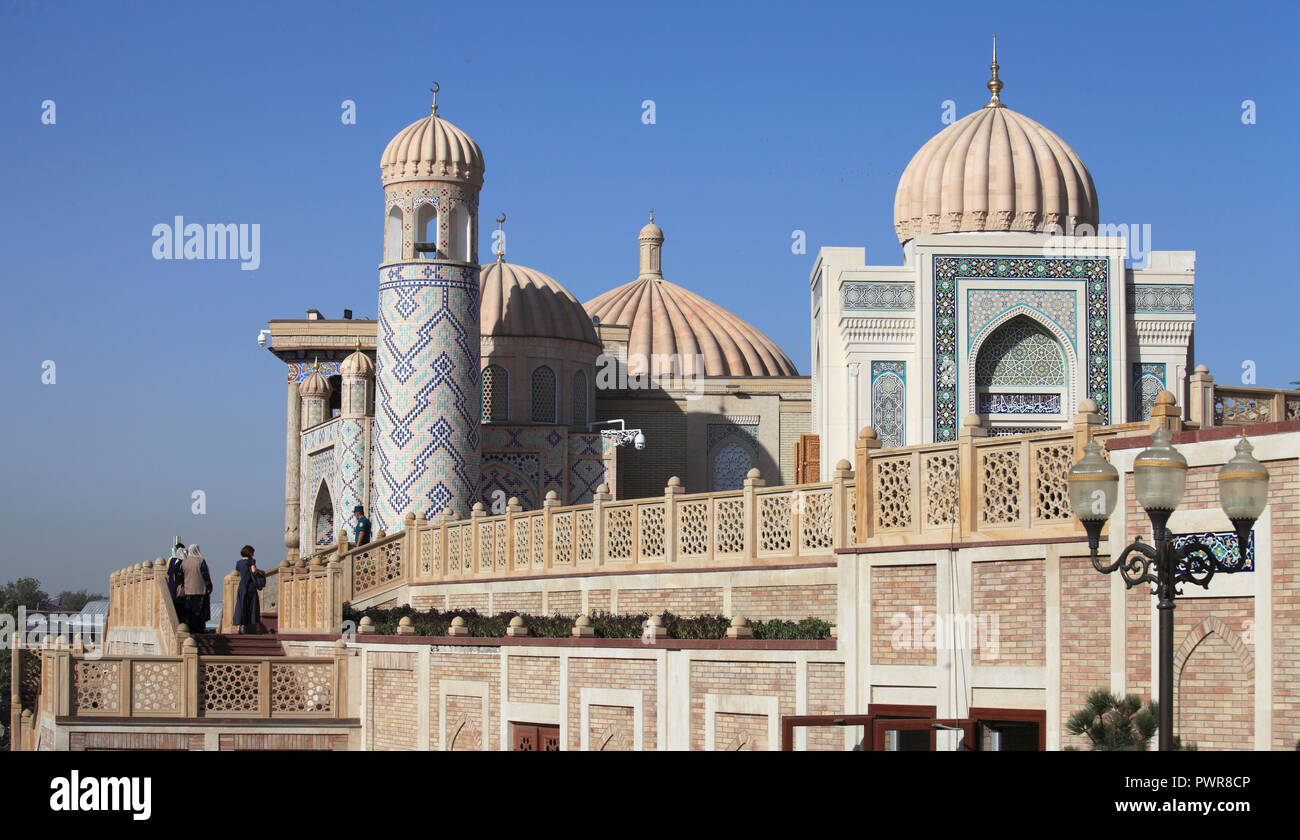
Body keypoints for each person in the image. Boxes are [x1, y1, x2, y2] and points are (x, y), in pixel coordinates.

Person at [232, 545, 265, 635]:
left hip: (242, 586)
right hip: (250, 586)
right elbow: (253, 570)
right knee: (253, 606)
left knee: (241, 605)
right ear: (250, 553)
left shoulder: (238, 563)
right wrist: (261, 571)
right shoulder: (251, 561)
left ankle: (238, 627)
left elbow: (238, 572)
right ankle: (257, 628)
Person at [180, 544, 213, 632]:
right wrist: (209, 586)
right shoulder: (201, 561)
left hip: (188, 591)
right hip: (200, 590)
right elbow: (205, 575)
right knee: (199, 611)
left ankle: (189, 628)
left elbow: (180, 575)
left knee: (189, 611)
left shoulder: (184, 562)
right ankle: (199, 629)